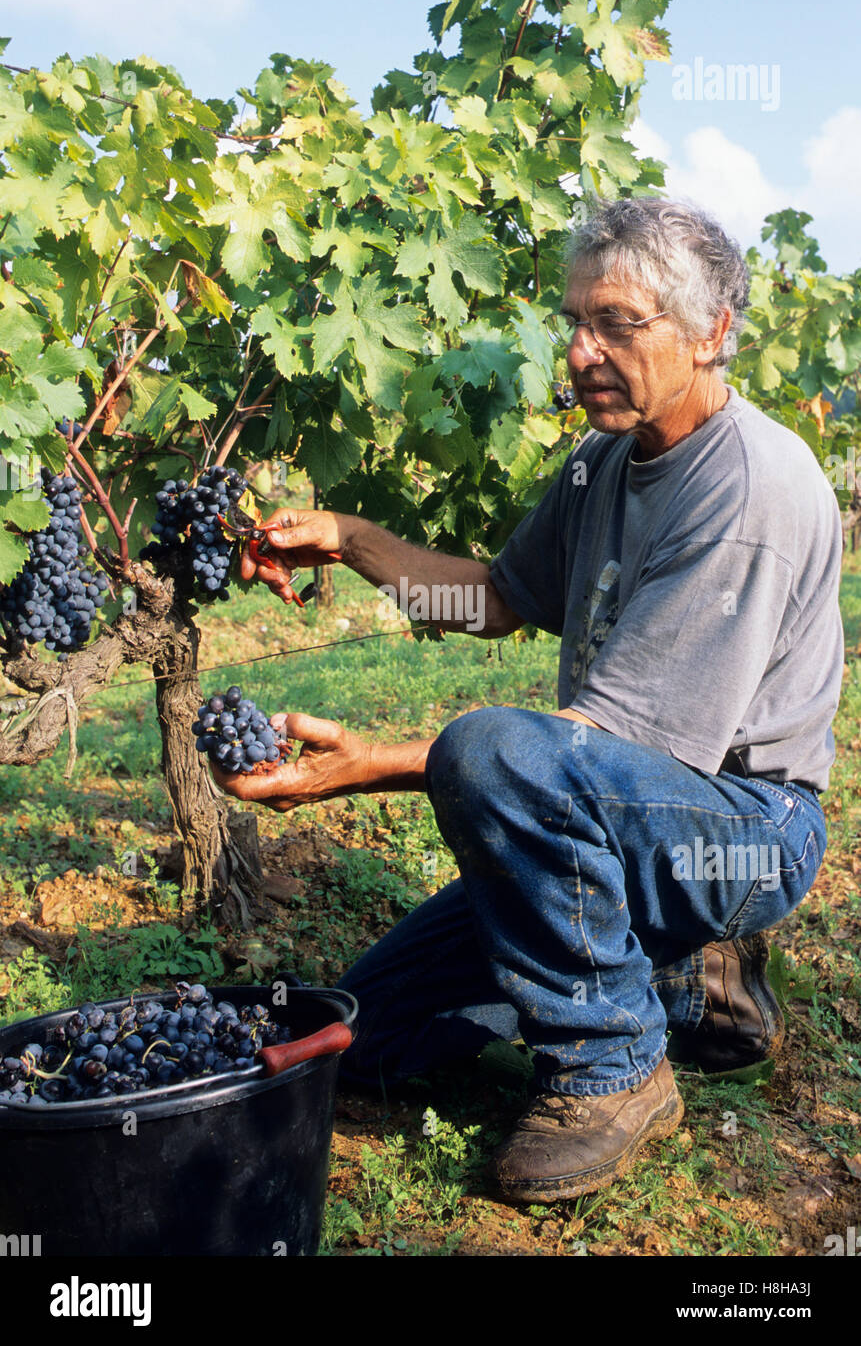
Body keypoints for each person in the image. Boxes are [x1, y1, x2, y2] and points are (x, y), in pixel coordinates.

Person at [213, 198, 843, 1204]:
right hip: (622, 813)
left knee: (492, 752)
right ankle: (674, 975)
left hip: (742, 824)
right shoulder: (602, 462)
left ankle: (616, 1069)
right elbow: (499, 597)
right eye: (577, 324)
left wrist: (360, 767)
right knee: (366, 1028)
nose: (581, 352)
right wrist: (349, 537)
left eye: (618, 324)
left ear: (712, 332)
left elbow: (601, 743)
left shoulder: (750, 486)